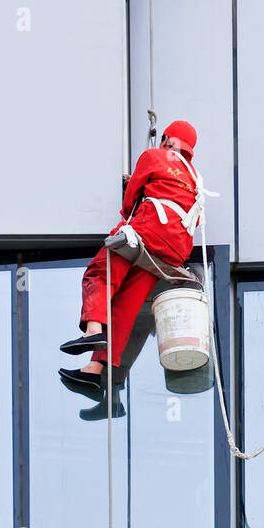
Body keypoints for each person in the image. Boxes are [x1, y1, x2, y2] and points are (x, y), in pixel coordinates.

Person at [59, 121, 200, 402]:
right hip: (173, 251)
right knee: (125, 306)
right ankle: (98, 369)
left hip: (149, 232)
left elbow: (128, 203)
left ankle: (93, 331)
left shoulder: (154, 156)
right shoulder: (195, 176)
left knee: (99, 273)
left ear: (165, 139)